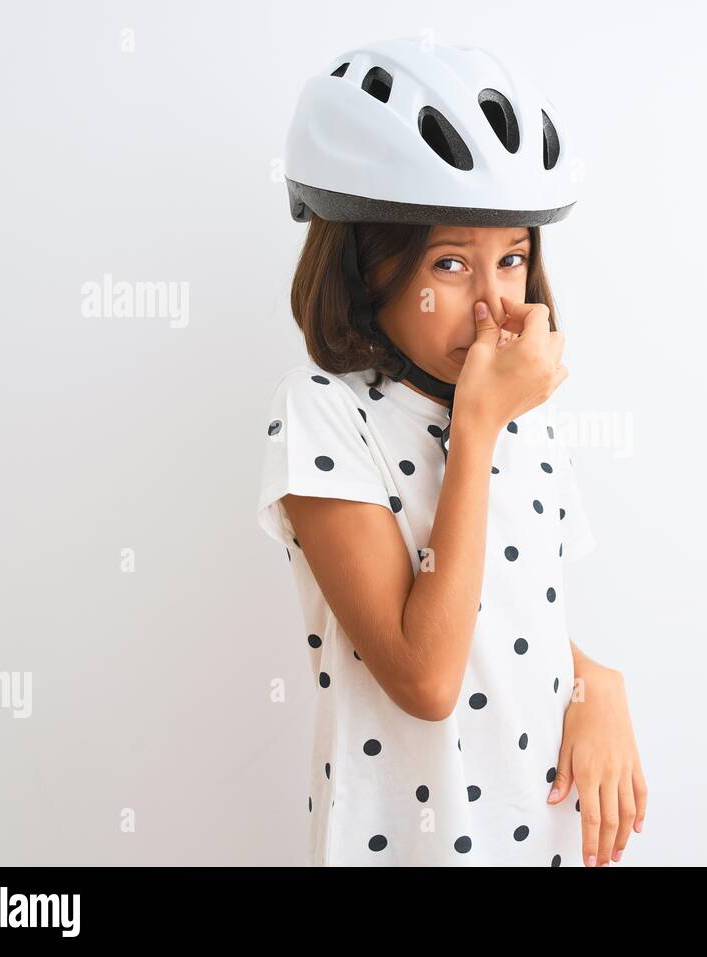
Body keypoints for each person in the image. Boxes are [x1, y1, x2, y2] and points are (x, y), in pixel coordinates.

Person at [256, 36, 647, 866]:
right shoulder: (324, 414)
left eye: (511, 259)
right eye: (449, 264)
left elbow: (510, 618)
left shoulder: (526, 417)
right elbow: (427, 676)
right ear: (370, 273)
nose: (492, 305)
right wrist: (476, 431)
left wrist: (593, 680)